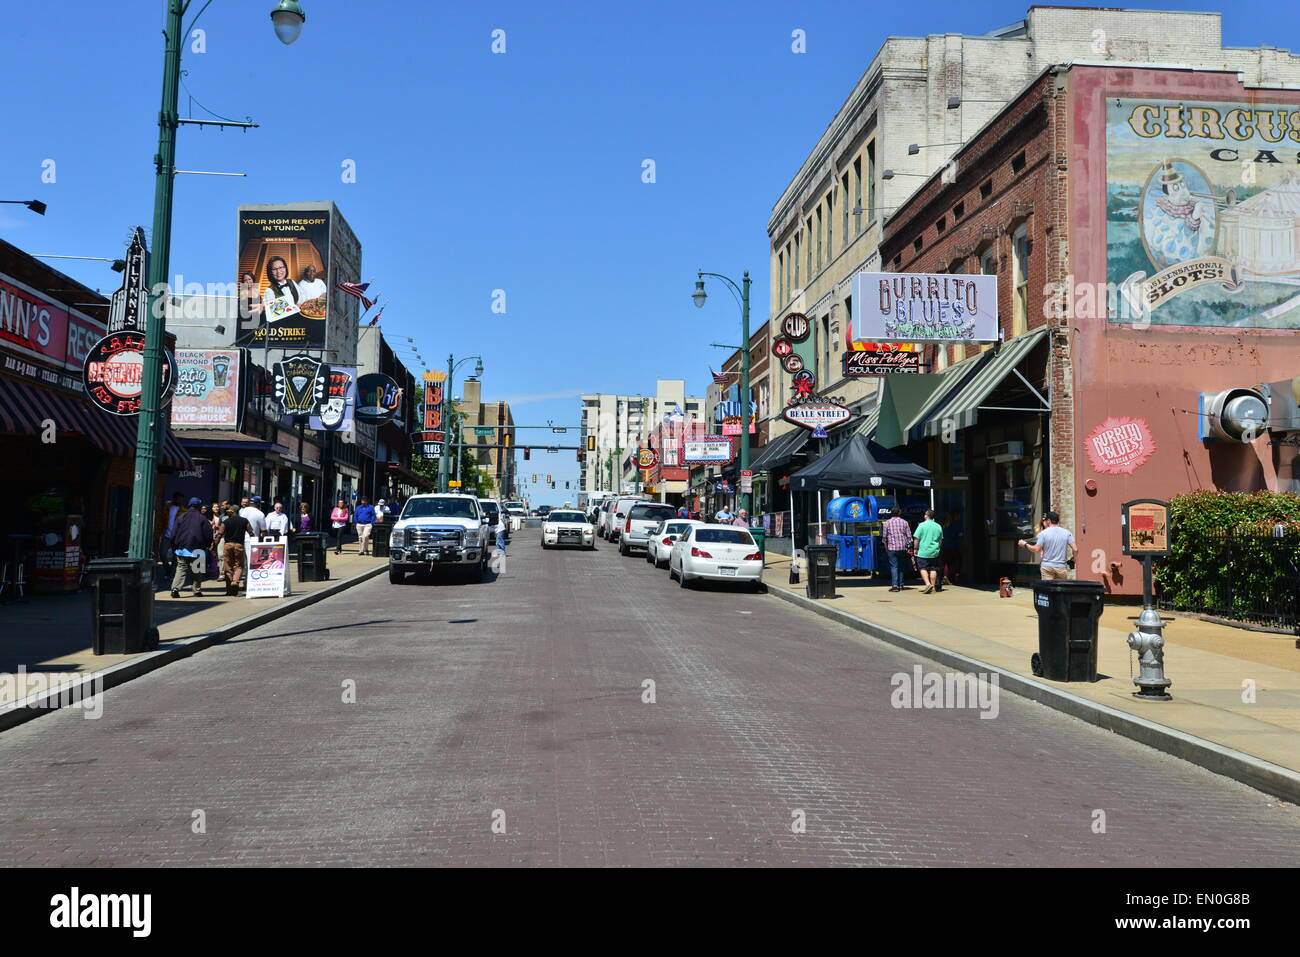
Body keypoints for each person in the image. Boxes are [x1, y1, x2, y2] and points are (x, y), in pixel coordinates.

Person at [169, 498, 213, 598]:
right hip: (198, 548)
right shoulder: (202, 518)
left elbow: (173, 533)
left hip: (182, 548)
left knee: (181, 568)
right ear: (199, 506)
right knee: (197, 569)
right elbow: (208, 534)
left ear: (189, 505)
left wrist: (174, 545)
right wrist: (207, 545)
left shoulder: (181, 517)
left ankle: (175, 588)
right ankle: (196, 590)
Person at [1020, 510, 1077, 580]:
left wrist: (1025, 544)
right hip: (1061, 567)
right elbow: (1075, 549)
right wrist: (1073, 559)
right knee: (1060, 589)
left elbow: (1036, 549)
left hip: (1047, 566)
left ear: (1049, 521)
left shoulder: (1043, 533)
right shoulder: (1067, 533)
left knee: (1048, 589)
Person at [219, 505, 251, 596]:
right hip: (239, 545)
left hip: (228, 545)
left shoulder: (226, 521)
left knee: (228, 566)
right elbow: (251, 532)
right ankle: (235, 582)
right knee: (239, 566)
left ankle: (229, 590)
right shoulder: (244, 521)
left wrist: (214, 545)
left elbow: (220, 534)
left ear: (233, 512)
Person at [881, 507, 912, 593]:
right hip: (902, 548)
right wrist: (909, 546)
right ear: (899, 513)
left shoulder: (887, 523)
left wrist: (886, 547)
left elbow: (884, 537)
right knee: (901, 566)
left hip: (892, 548)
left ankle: (894, 585)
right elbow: (909, 537)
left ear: (891, 513)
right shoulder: (904, 522)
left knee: (894, 566)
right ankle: (901, 584)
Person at [913, 509, 944, 594]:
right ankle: (933, 587)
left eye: (925, 514)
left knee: (922, 568)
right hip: (934, 551)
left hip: (923, 551)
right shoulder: (938, 526)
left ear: (926, 515)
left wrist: (915, 549)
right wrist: (938, 548)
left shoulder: (921, 525)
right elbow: (940, 539)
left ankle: (928, 584)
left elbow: (916, 539)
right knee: (933, 568)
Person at [941, 511, 964, 586]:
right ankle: (957, 577)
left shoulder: (945, 525)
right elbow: (960, 535)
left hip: (945, 546)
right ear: (956, 516)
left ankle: (945, 576)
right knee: (958, 561)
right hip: (954, 546)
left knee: (946, 562)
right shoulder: (957, 525)